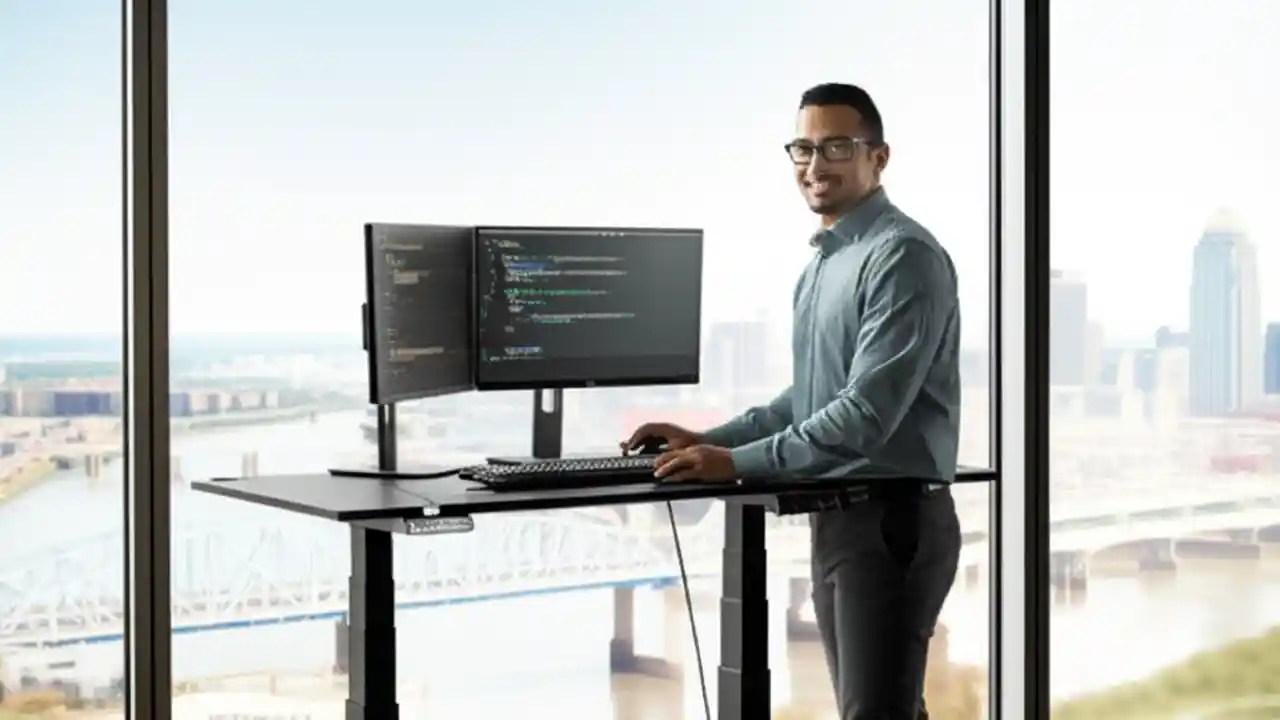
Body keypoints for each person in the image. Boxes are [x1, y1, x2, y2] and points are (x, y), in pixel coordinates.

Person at [622, 83, 962, 719]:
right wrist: (709, 442)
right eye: (803, 148)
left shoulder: (902, 256)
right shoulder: (824, 264)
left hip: (890, 522)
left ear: (879, 156)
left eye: (836, 146)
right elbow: (807, 401)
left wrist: (736, 464)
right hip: (837, 518)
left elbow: (863, 415)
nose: (815, 163)